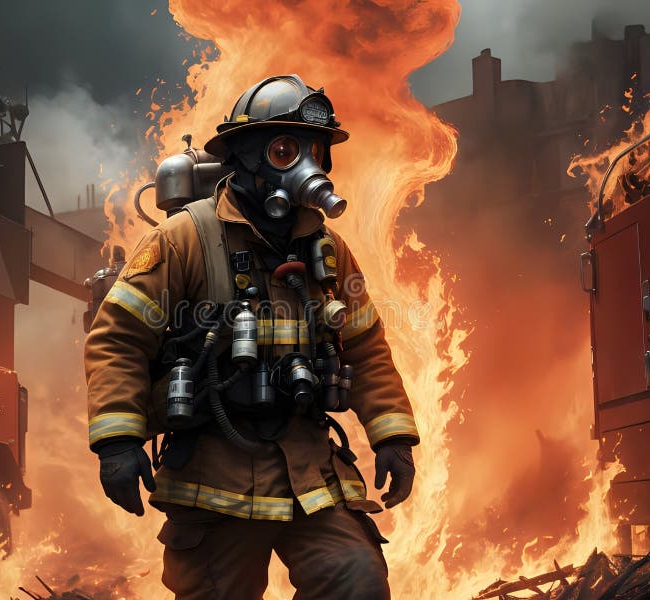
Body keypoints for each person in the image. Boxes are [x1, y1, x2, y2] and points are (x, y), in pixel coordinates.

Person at [85, 74, 420, 600]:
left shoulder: (328, 251)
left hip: (309, 471)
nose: (306, 164)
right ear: (246, 157)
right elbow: (119, 337)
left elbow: (365, 346)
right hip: (215, 477)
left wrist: (393, 437)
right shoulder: (184, 237)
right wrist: (117, 441)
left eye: (314, 150)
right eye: (286, 149)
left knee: (357, 580)